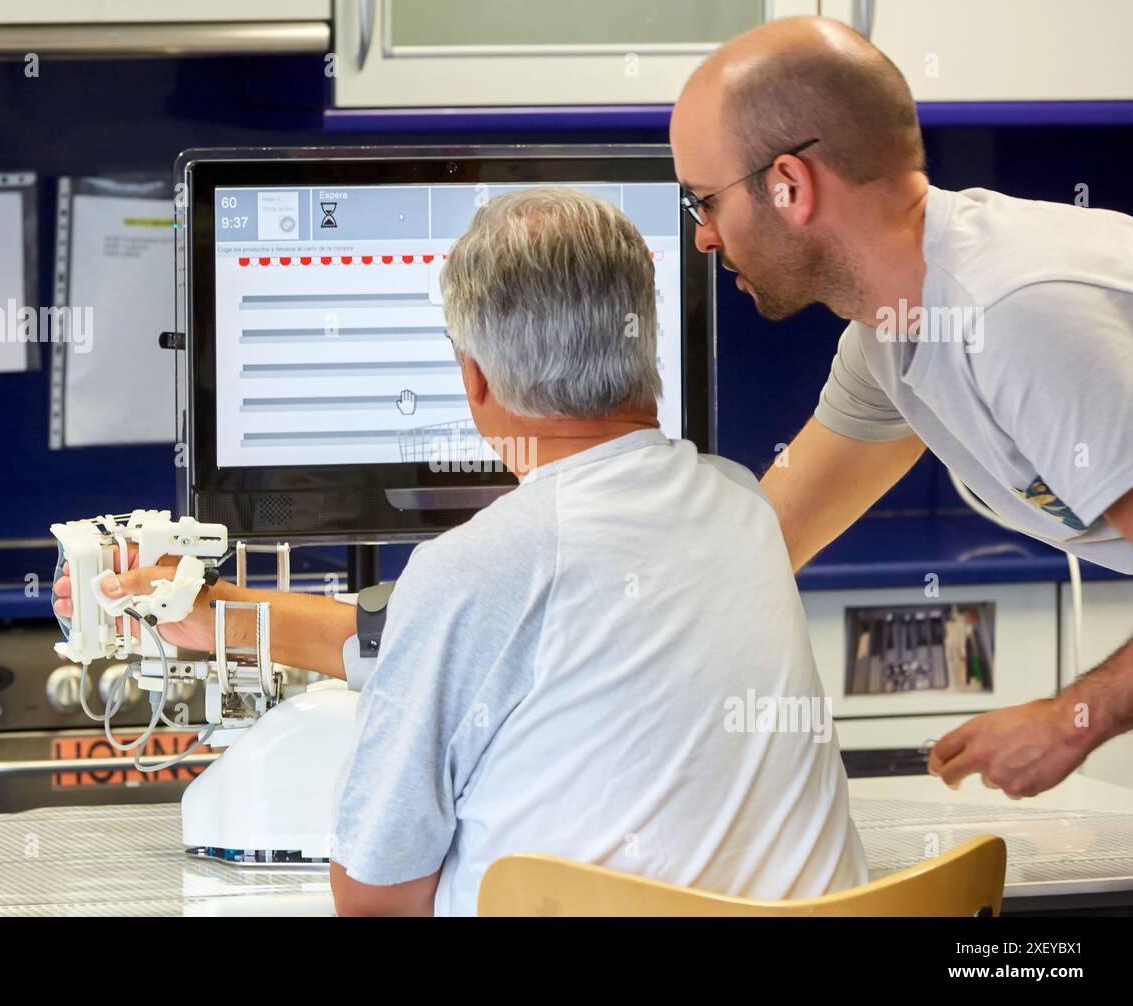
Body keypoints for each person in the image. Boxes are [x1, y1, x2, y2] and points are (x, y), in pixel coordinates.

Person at [58, 187, 867, 916]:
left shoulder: (477, 569)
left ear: (475, 379)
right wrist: (219, 616)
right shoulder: (742, 508)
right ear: (646, 345)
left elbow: (375, 898)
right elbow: (475, 641)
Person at [668, 15, 1133, 798]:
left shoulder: (1013, 312)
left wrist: (1068, 717)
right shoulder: (892, 338)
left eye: (702, 203)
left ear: (790, 185)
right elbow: (760, 547)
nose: (704, 239)